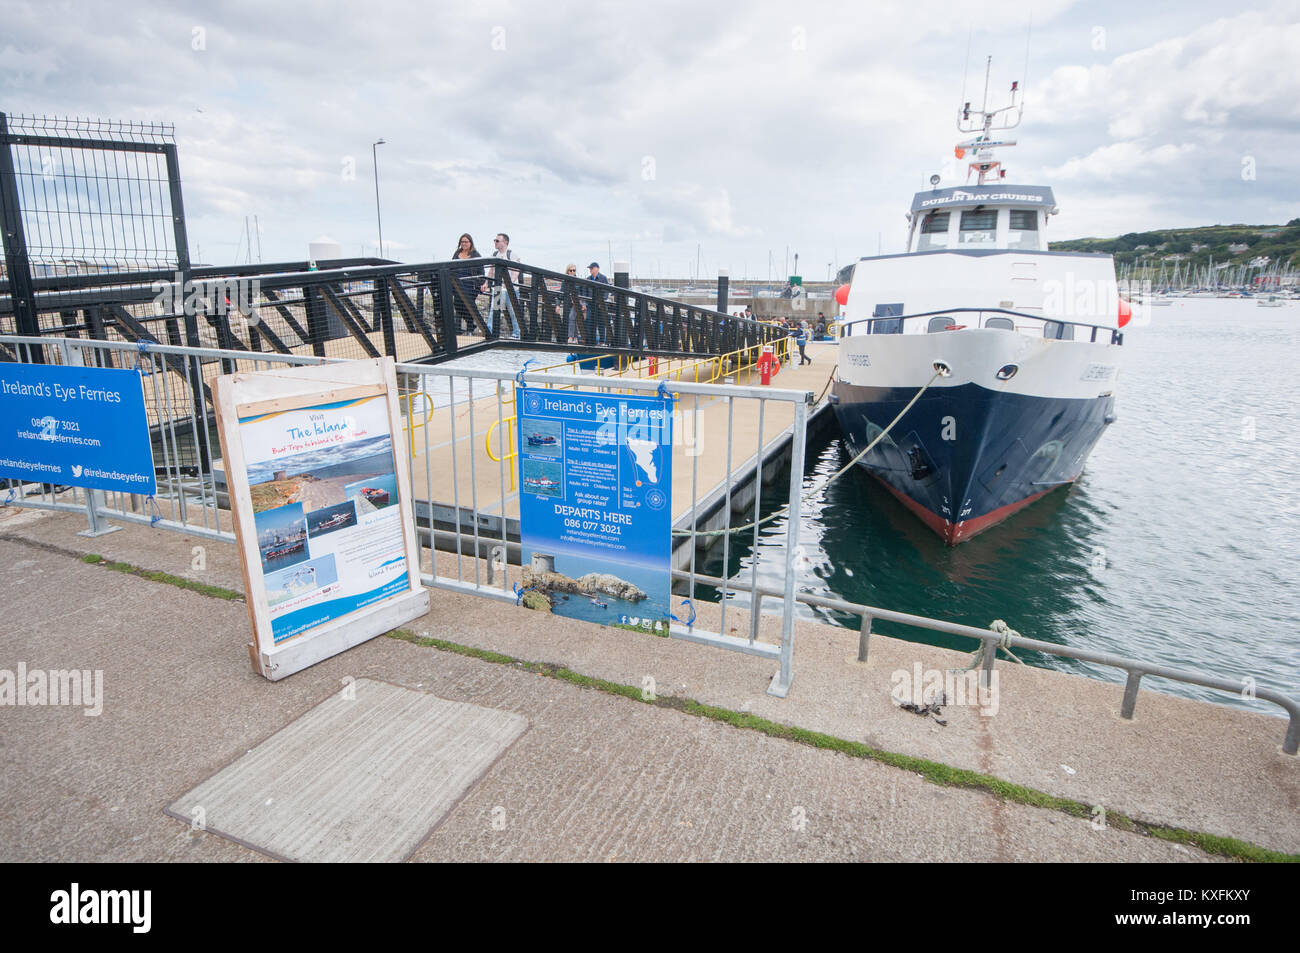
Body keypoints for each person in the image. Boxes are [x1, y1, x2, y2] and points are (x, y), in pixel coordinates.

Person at [484, 233, 522, 338]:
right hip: (498, 288)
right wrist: (486, 283)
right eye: (494, 240)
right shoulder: (495, 255)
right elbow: (491, 270)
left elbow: (516, 270)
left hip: (512, 289)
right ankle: (490, 331)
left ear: (505, 242)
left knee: (513, 311)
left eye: (497, 241)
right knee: (493, 309)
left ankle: (517, 333)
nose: (495, 242)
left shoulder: (512, 254)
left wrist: (509, 284)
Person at [451, 233, 483, 334]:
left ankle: (470, 326)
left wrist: (480, 283)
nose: (464, 243)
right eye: (462, 242)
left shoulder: (476, 255)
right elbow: (451, 266)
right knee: (457, 305)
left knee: (468, 305)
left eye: (466, 242)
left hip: (471, 286)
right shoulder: (457, 253)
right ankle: (471, 324)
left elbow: (481, 271)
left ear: (470, 243)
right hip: (457, 284)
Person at [585, 262, 611, 345]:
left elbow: (606, 291)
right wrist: (584, 303)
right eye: (590, 268)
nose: (590, 270)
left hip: (600, 305)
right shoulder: (588, 279)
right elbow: (585, 292)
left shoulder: (603, 278)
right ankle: (590, 341)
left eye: (591, 268)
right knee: (589, 321)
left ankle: (602, 341)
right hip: (590, 305)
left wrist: (602, 301)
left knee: (601, 323)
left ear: (597, 268)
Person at [564, 264, 581, 342]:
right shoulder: (565, 281)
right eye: (571, 270)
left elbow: (581, 293)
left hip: (576, 304)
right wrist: (557, 305)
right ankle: (576, 338)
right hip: (567, 304)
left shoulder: (578, 281)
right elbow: (560, 293)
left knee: (571, 317)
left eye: (574, 270)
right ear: (568, 271)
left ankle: (570, 337)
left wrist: (580, 302)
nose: (572, 272)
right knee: (573, 319)